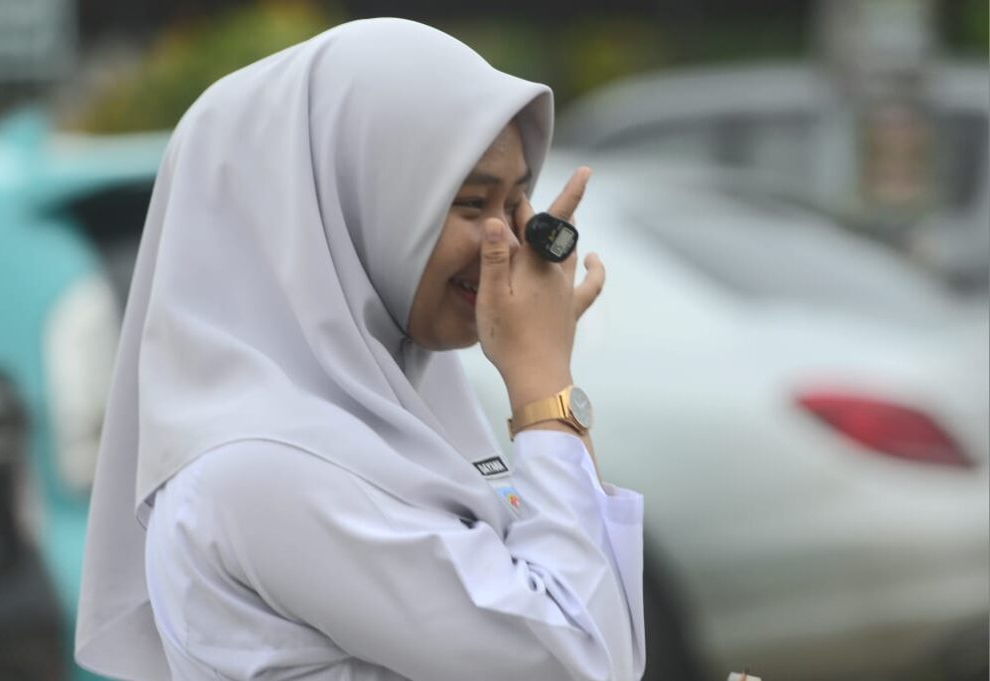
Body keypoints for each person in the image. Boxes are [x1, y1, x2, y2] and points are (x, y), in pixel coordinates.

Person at [76, 18, 645, 681]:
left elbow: (605, 626)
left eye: (518, 200)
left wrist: (553, 393)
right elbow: (580, 658)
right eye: (471, 203)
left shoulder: (386, 419)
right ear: (346, 207)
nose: (513, 242)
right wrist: (544, 382)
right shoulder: (262, 470)